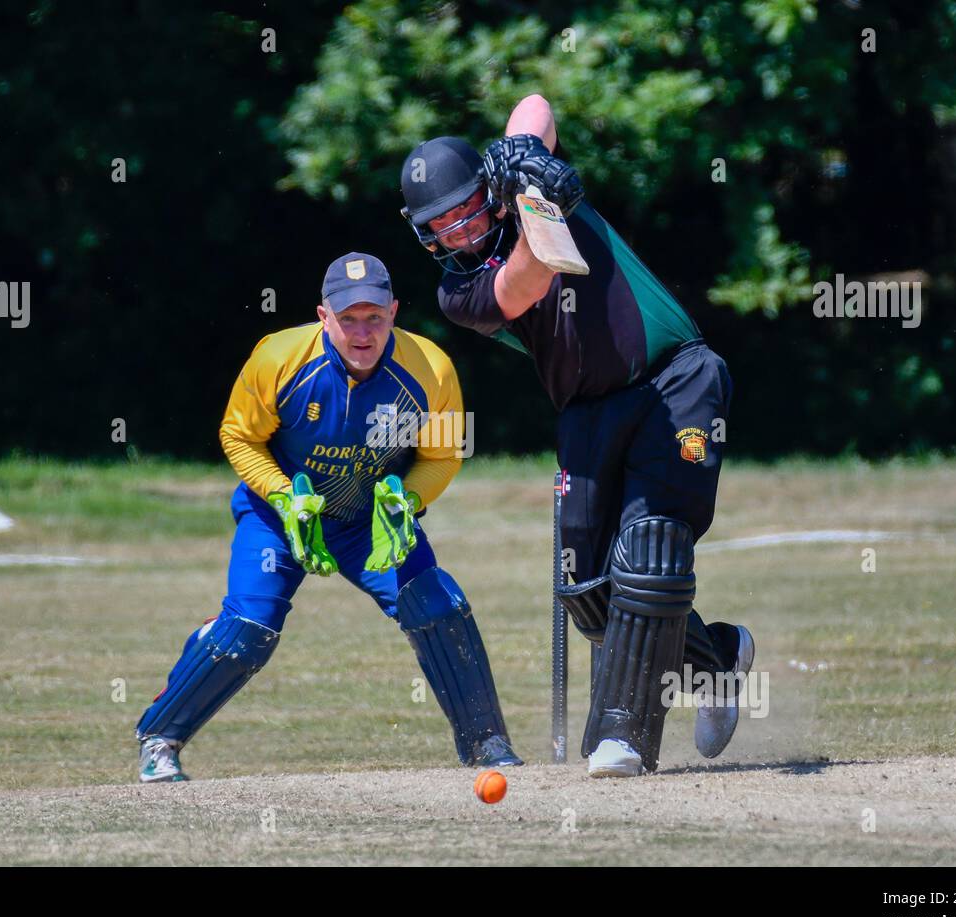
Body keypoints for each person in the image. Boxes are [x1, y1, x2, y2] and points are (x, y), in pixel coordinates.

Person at [399, 94, 756, 778]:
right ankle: (717, 659)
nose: (457, 233)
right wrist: (544, 208)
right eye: (439, 227)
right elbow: (529, 279)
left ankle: (622, 739)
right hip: (585, 413)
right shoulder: (459, 292)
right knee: (590, 596)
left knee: (650, 544)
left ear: (487, 194)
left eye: (464, 212)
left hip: (673, 380)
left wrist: (529, 156)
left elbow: (534, 104)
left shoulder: (527, 182)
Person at [134, 252, 522, 781]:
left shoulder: (431, 368)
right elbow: (239, 436)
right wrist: (281, 495)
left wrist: (406, 501)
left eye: (375, 318)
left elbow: (443, 454)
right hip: (280, 514)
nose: (362, 333)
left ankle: (487, 743)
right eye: (347, 319)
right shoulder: (278, 357)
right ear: (323, 315)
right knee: (250, 626)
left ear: (395, 312)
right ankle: (161, 738)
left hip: (371, 521)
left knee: (438, 604)